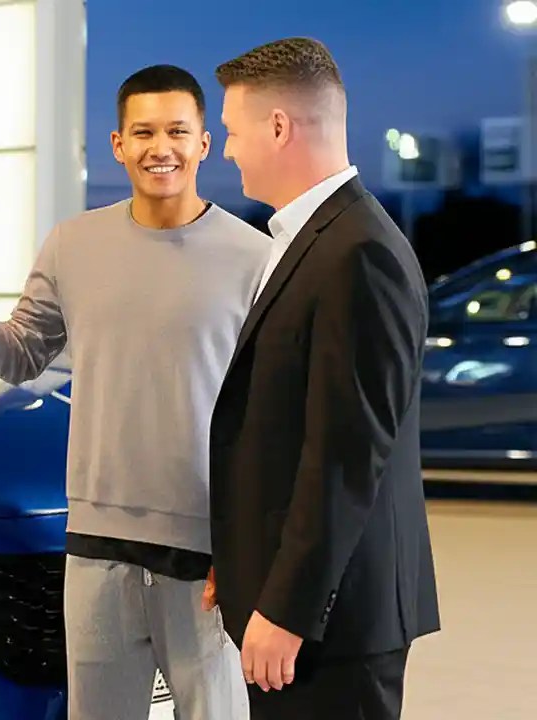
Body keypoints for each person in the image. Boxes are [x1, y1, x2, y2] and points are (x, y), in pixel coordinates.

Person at [0, 65, 267, 720]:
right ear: (117, 144)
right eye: (145, 132)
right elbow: (22, 354)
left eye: (178, 131)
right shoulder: (73, 245)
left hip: (208, 549)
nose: (162, 147)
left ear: (205, 143)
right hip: (96, 539)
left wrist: (252, 545)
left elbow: (270, 414)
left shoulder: (256, 259)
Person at [207, 37, 440, 719]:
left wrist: (287, 607)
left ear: (278, 127)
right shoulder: (320, 240)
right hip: (310, 609)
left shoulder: (360, 253)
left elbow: (345, 455)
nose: (227, 150)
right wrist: (245, 558)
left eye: (231, 130)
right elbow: (286, 428)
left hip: (331, 624)